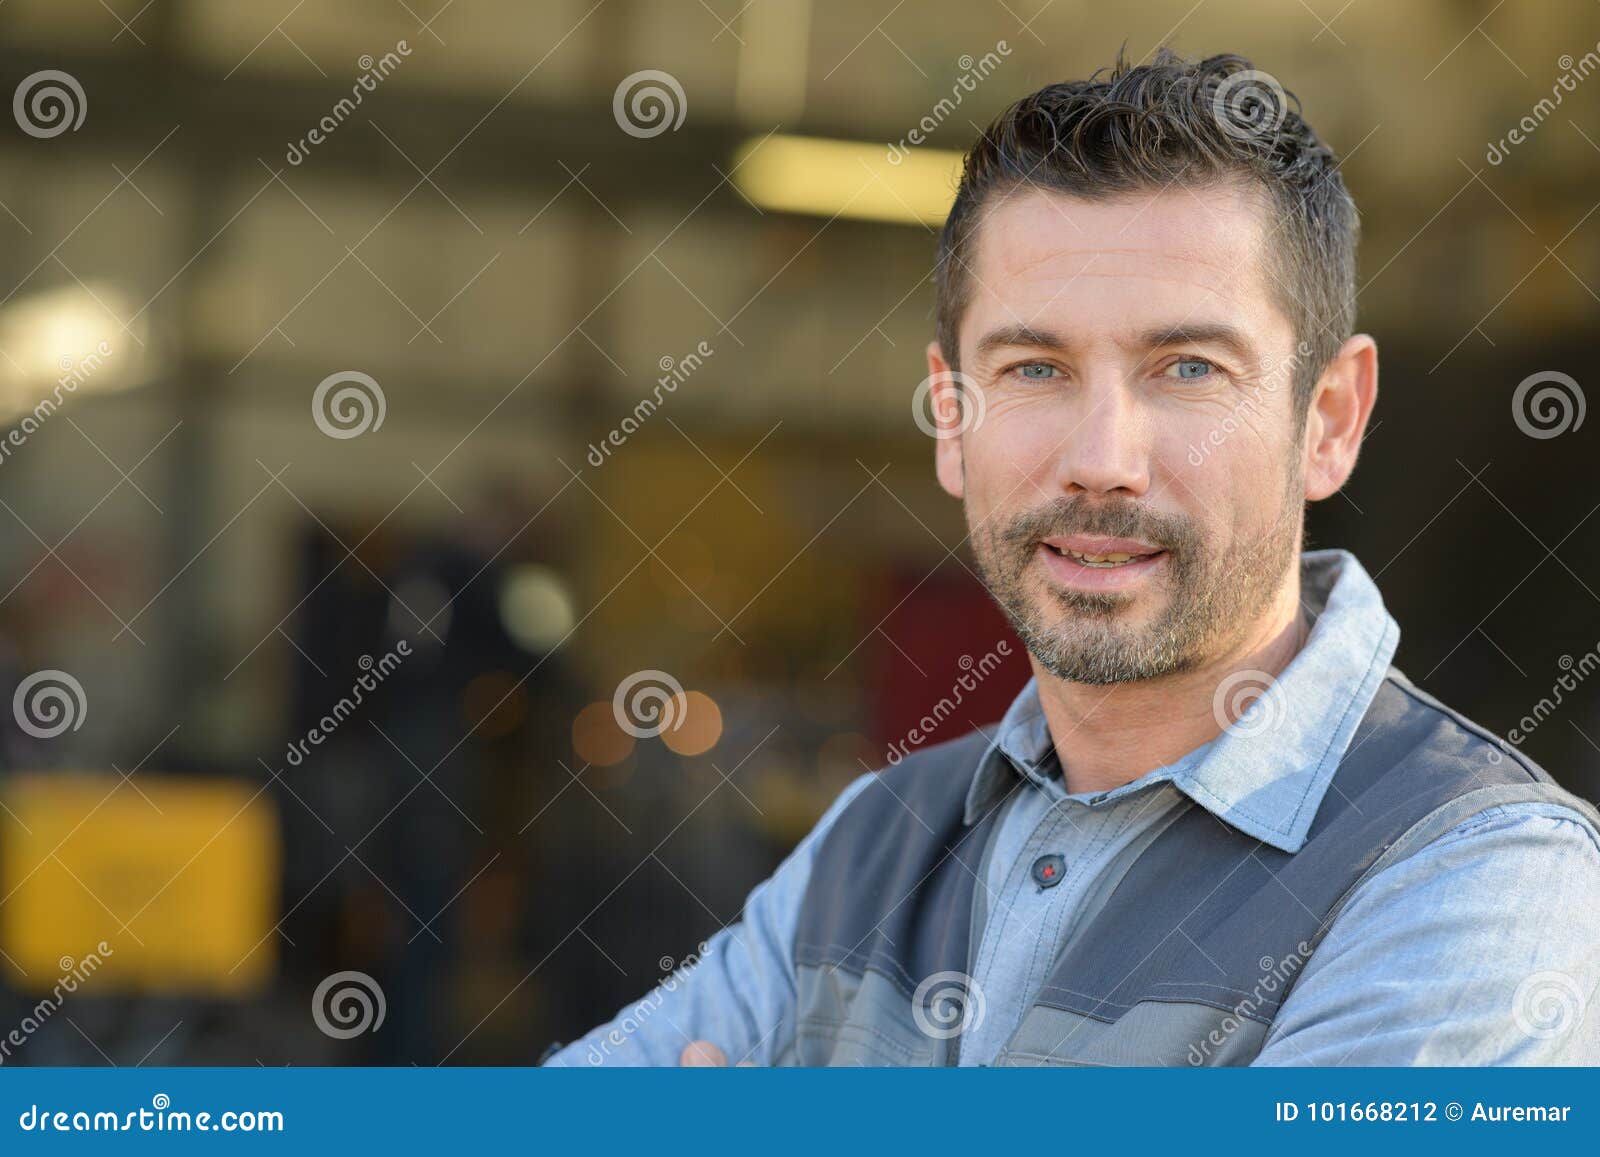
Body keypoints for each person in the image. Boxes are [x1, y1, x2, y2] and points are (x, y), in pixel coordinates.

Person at [546, 49, 1600, 1067]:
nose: (1101, 462)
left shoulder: (1475, 880)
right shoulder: (871, 846)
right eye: (1035, 367)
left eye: (1187, 366)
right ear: (952, 416)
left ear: (1327, 418)